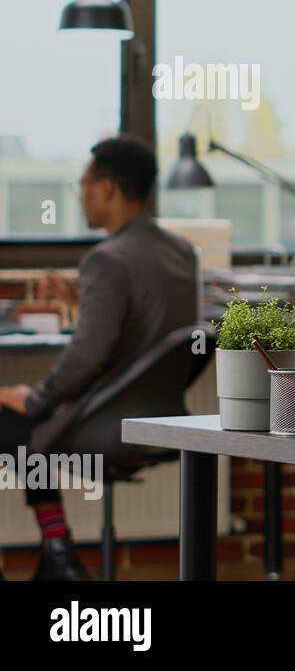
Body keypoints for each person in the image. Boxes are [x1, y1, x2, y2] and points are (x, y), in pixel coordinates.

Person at [0, 135, 197, 580]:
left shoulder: (105, 259)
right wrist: (80, 298)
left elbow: (86, 358)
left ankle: (59, 551)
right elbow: (142, 329)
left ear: (107, 188)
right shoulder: (182, 252)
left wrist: (32, 398)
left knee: (12, 423)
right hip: (160, 419)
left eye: (85, 185)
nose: (81, 195)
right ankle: (57, 553)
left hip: (108, 422)